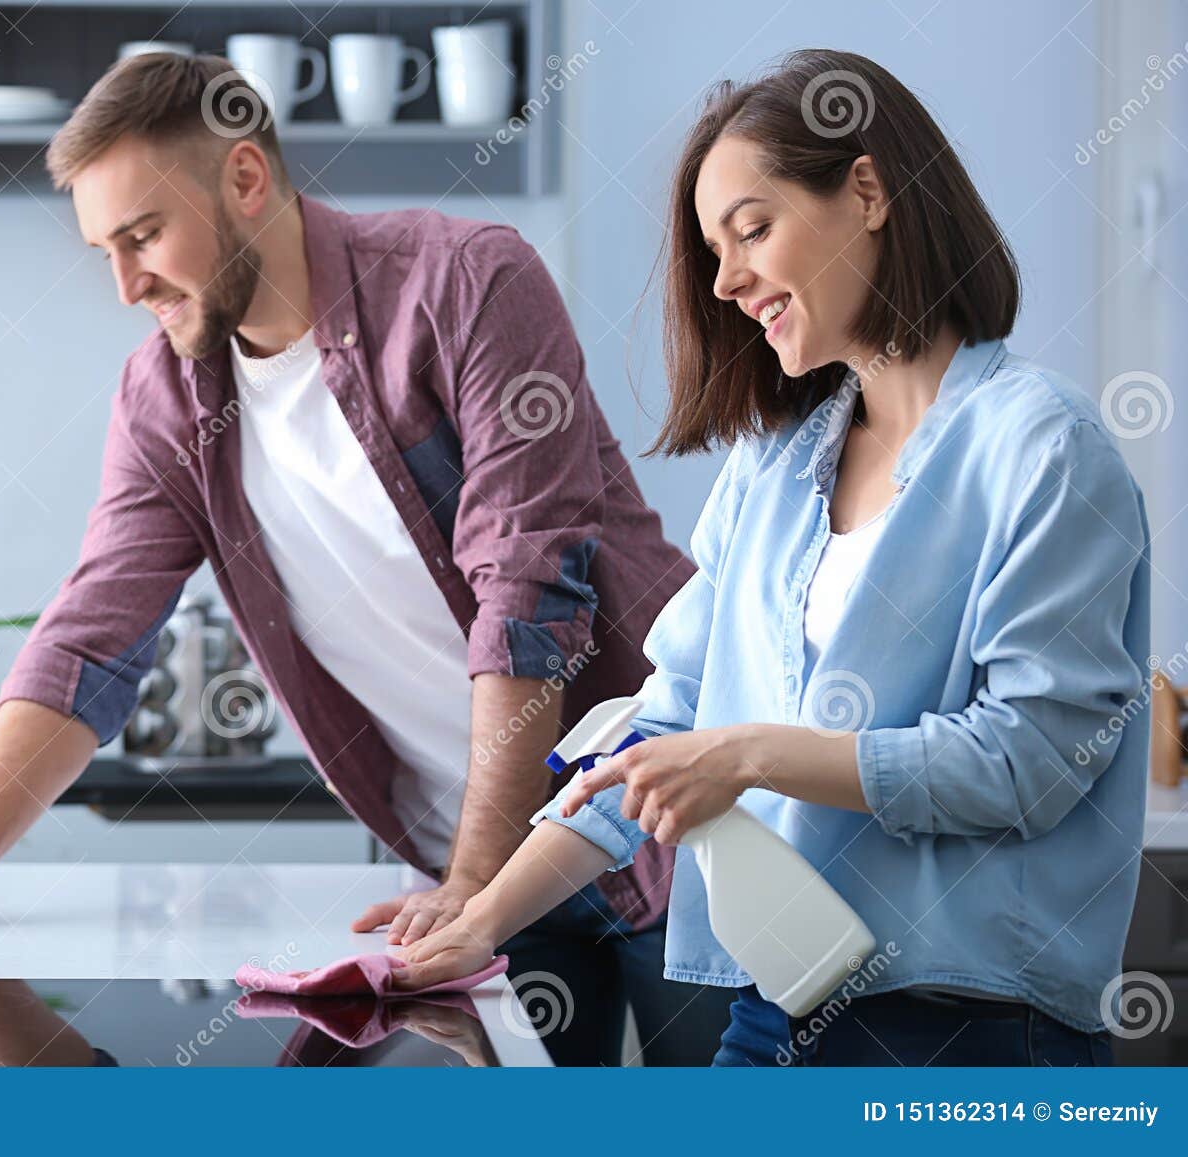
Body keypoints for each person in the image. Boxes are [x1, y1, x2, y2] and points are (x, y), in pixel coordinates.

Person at [0, 52, 734, 1066]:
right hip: (484, 874)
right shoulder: (168, 399)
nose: (124, 283)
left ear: (245, 179)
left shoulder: (465, 283)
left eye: (143, 234)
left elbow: (528, 591)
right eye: (104, 248)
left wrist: (477, 880)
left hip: (678, 834)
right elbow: (90, 637)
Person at [394, 47, 1151, 1067]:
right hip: (773, 1013)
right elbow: (663, 734)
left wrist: (746, 754)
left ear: (868, 191)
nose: (726, 278)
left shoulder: (1043, 447)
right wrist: (479, 925)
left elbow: (1029, 761)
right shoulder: (777, 466)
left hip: (970, 1030)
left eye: (753, 228)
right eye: (714, 248)